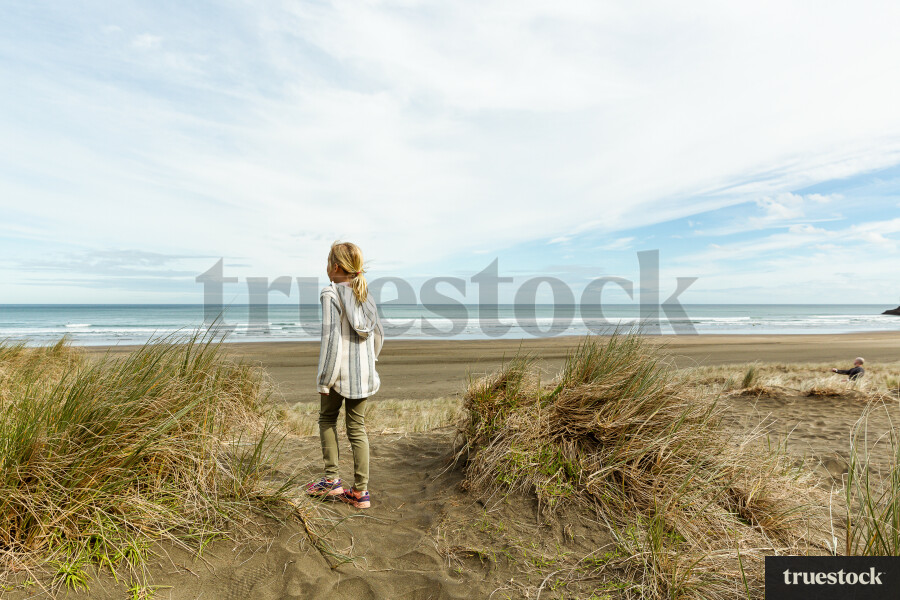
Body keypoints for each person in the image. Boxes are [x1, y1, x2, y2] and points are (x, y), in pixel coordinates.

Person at [306, 241, 383, 509]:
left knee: (327, 419)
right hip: (364, 374)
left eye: (328, 262)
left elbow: (331, 341)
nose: (326, 267)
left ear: (335, 267)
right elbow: (378, 334)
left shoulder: (331, 293)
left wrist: (324, 379)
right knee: (357, 429)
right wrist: (370, 363)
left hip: (339, 374)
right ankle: (361, 493)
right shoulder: (365, 294)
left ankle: (331, 481)